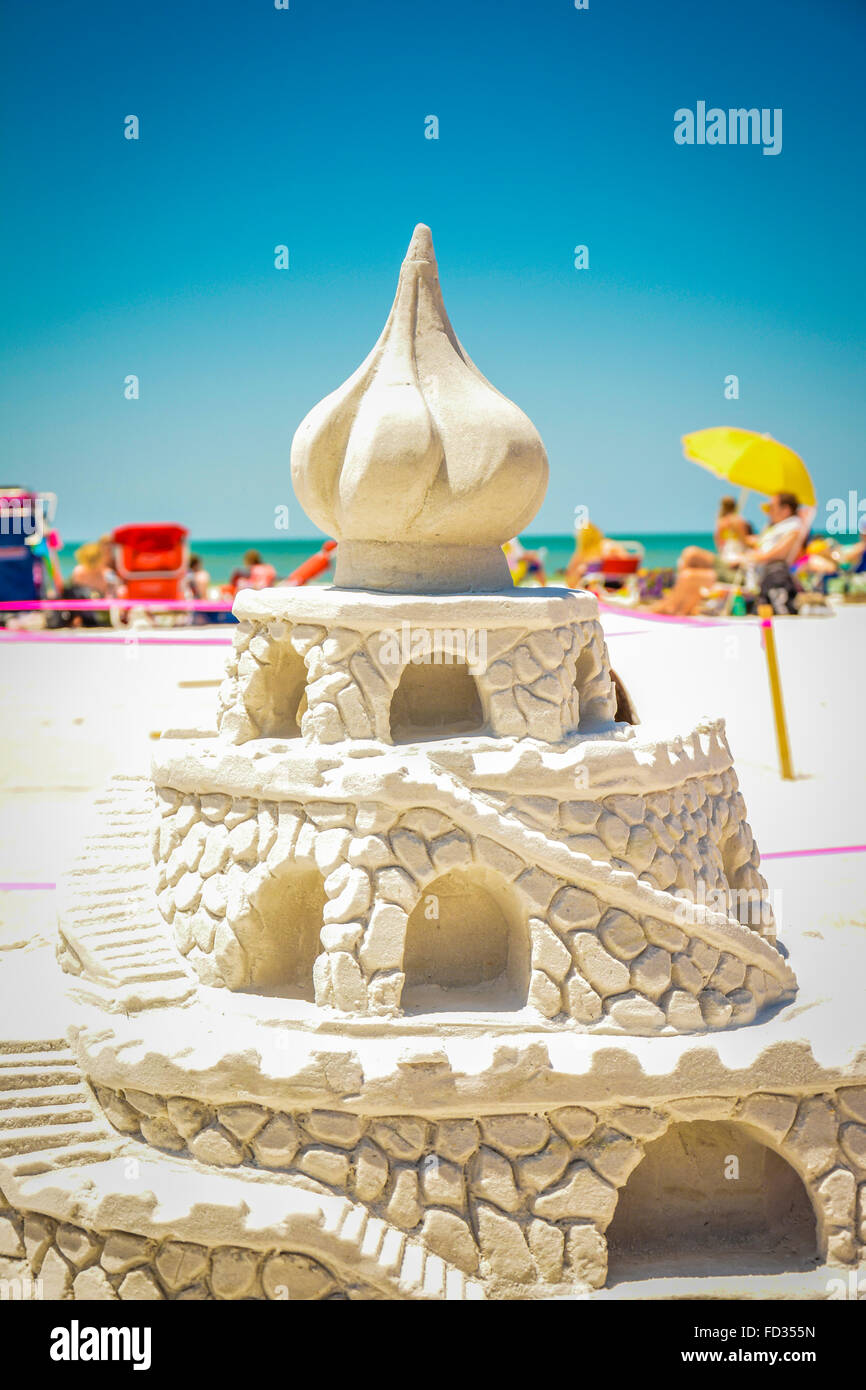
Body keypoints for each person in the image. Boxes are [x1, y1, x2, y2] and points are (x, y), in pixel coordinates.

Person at [653, 493, 806, 616]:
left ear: (785, 510)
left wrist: (743, 557)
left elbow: (774, 555)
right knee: (690, 557)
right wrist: (738, 532)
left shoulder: (793, 528)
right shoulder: (775, 528)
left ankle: (670, 607)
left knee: (690, 574)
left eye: (772, 507)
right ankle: (675, 605)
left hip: (748, 576)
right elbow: (753, 543)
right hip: (741, 566)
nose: (768, 511)